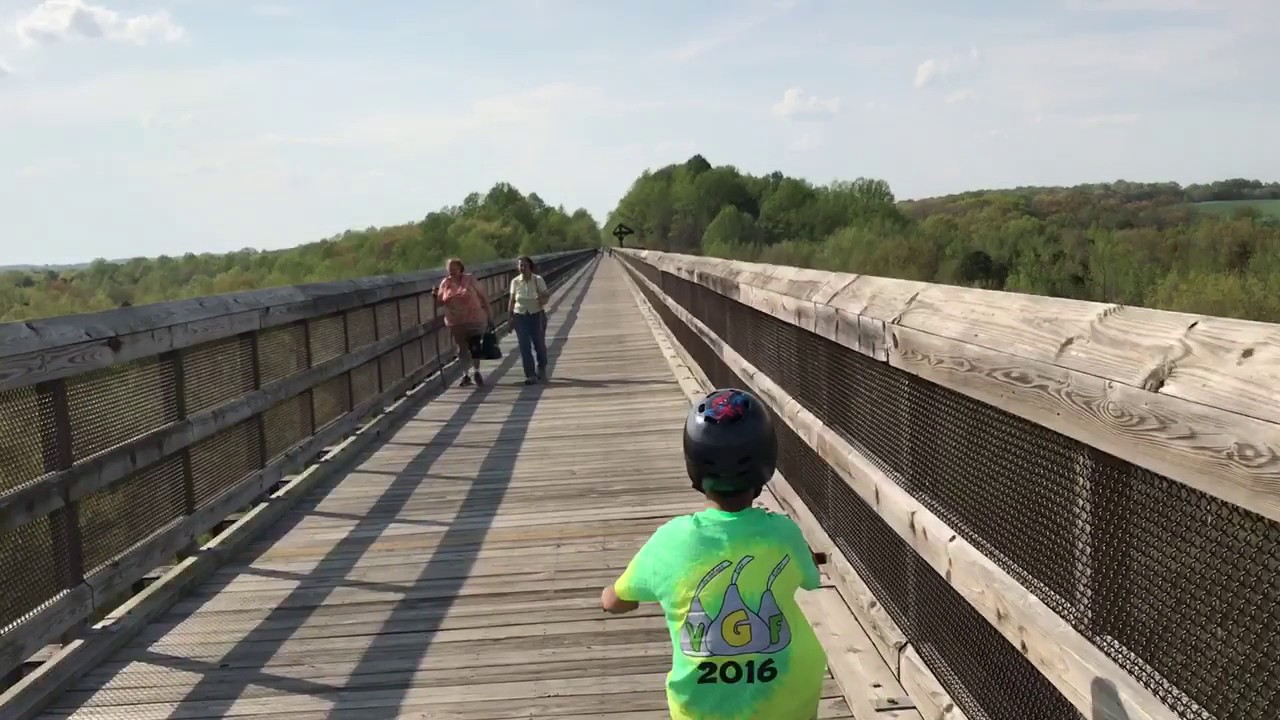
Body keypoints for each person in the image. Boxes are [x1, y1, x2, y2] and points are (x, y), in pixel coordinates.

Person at [600, 388, 828, 720]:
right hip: (788, 699)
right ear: (765, 463)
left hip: (702, 710)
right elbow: (810, 578)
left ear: (694, 465)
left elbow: (615, 600)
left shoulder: (670, 541)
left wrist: (611, 597)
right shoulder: (784, 533)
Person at [436, 257, 491, 387]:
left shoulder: (470, 279)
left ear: (460, 268)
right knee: (462, 349)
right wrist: (435, 296)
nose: (451, 272)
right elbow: (439, 303)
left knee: (475, 345)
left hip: (474, 318)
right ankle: (465, 375)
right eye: (449, 270)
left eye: (454, 269)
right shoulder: (445, 283)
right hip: (455, 321)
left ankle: (476, 371)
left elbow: (483, 296)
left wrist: (489, 315)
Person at [508, 255, 549, 385]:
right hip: (520, 316)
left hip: (536, 315)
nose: (522, 267)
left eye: (524, 265)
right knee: (524, 346)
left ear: (530, 266)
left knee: (539, 345)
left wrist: (541, 300)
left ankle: (541, 366)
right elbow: (512, 300)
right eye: (520, 265)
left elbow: (546, 295)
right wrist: (510, 318)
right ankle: (530, 374)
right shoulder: (515, 282)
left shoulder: (538, 280)